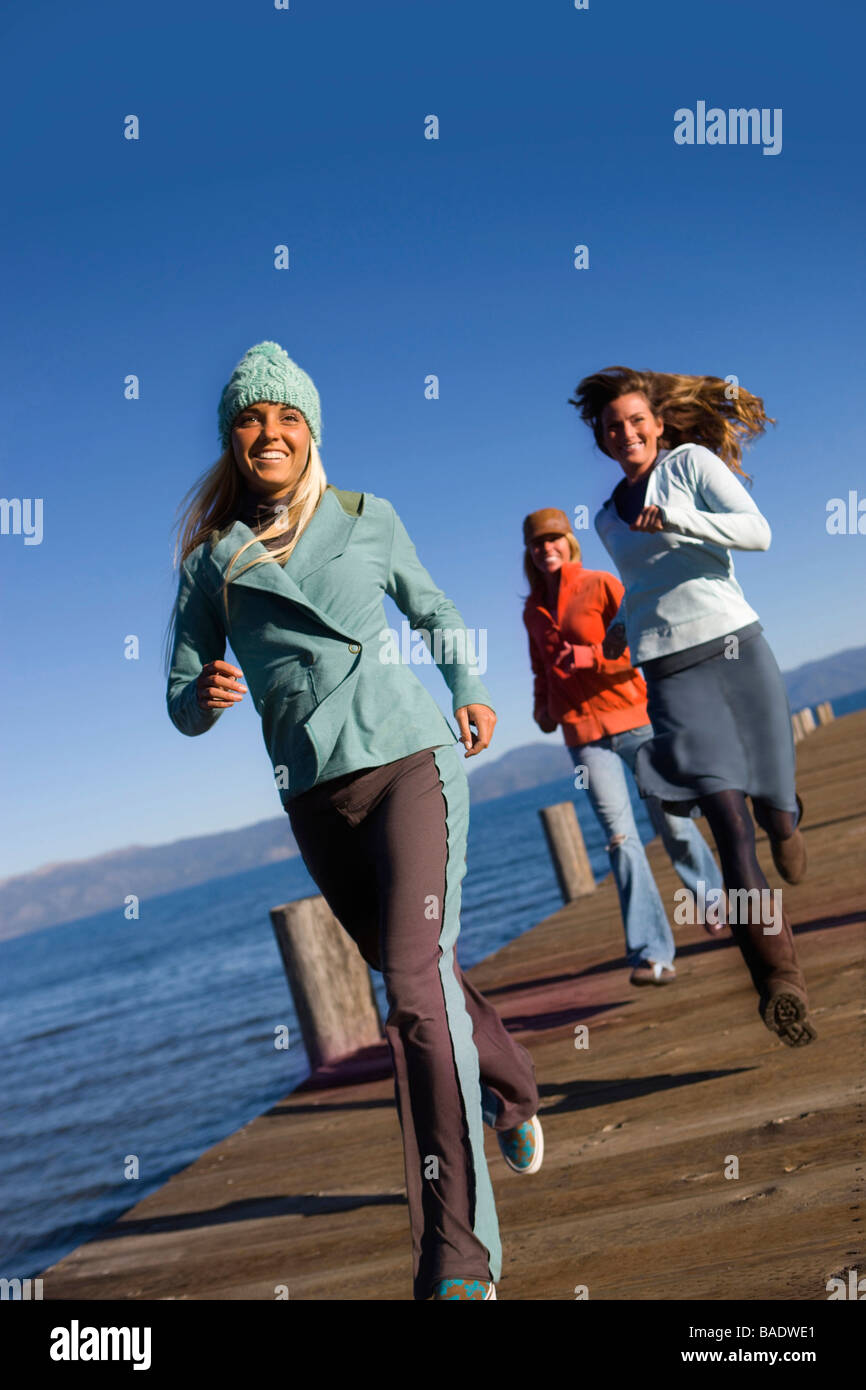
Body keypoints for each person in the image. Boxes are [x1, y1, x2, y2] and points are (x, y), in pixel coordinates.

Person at [164, 340, 542, 1301]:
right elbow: (177, 692)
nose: (270, 431)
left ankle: (457, 1260)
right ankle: (518, 1081)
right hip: (315, 799)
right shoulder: (214, 561)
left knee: (412, 998)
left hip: (411, 762)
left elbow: (437, 608)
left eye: (287, 415)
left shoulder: (366, 520)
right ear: (231, 439)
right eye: (251, 417)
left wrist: (469, 684)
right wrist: (205, 697)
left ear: (312, 430)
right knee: (426, 982)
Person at [570, 365, 815, 1047]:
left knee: (771, 807)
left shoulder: (691, 466)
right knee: (729, 826)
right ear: (602, 438)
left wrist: (678, 515)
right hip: (671, 674)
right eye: (612, 427)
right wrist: (627, 624)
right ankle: (779, 983)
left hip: (737, 646)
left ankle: (788, 820)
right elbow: (645, 580)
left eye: (634, 420)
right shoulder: (605, 518)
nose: (625, 433)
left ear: (656, 420)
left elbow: (757, 532)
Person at [522, 507, 723, 985]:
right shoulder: (532, 611)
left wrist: (591, 656)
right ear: (529, 554)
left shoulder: (601, 585)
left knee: (671, 820)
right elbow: (539, 669)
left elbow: (643, 640)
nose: (546, 549)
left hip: (635, 722)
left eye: (554, 540)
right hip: (583, 738)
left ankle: (714, 902)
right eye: (537, 544)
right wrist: (543, 708)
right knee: (620, 839)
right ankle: (652, 954)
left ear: (569, 542)